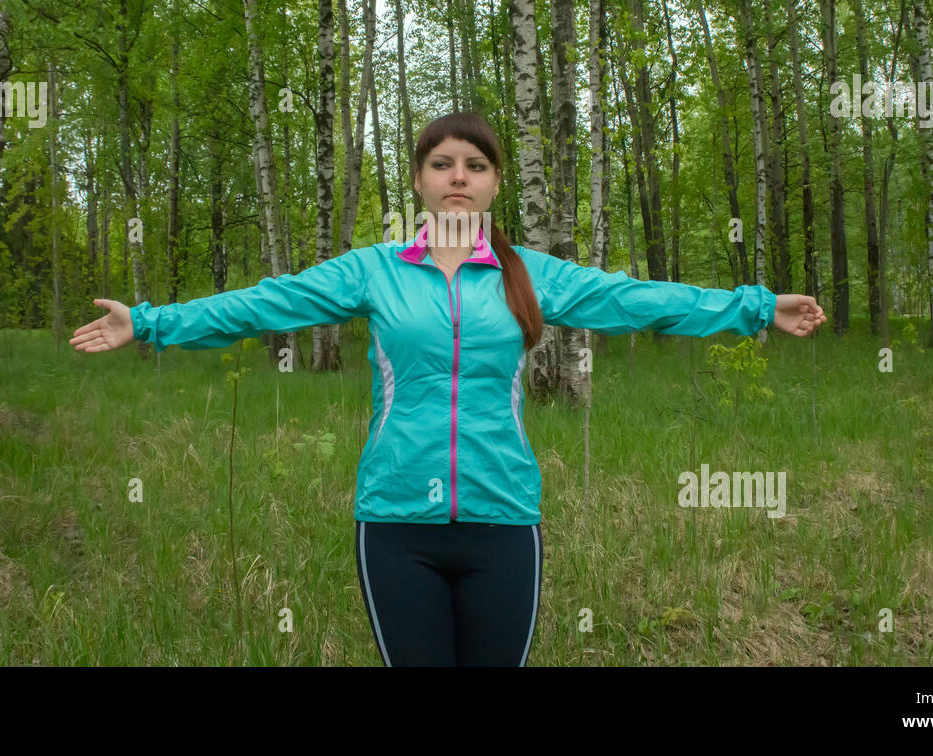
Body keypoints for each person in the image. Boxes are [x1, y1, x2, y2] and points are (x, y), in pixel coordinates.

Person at [69, 111, 827, 666]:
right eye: (441, 163)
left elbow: (641, 299)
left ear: (496, 181)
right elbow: (265, 302)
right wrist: (149, 322)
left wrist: (755, 307)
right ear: (421, 180)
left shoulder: (532, 273)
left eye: (474, 164)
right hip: (397, 524)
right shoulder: (373, 270)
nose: (457, 176)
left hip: (504, 521)